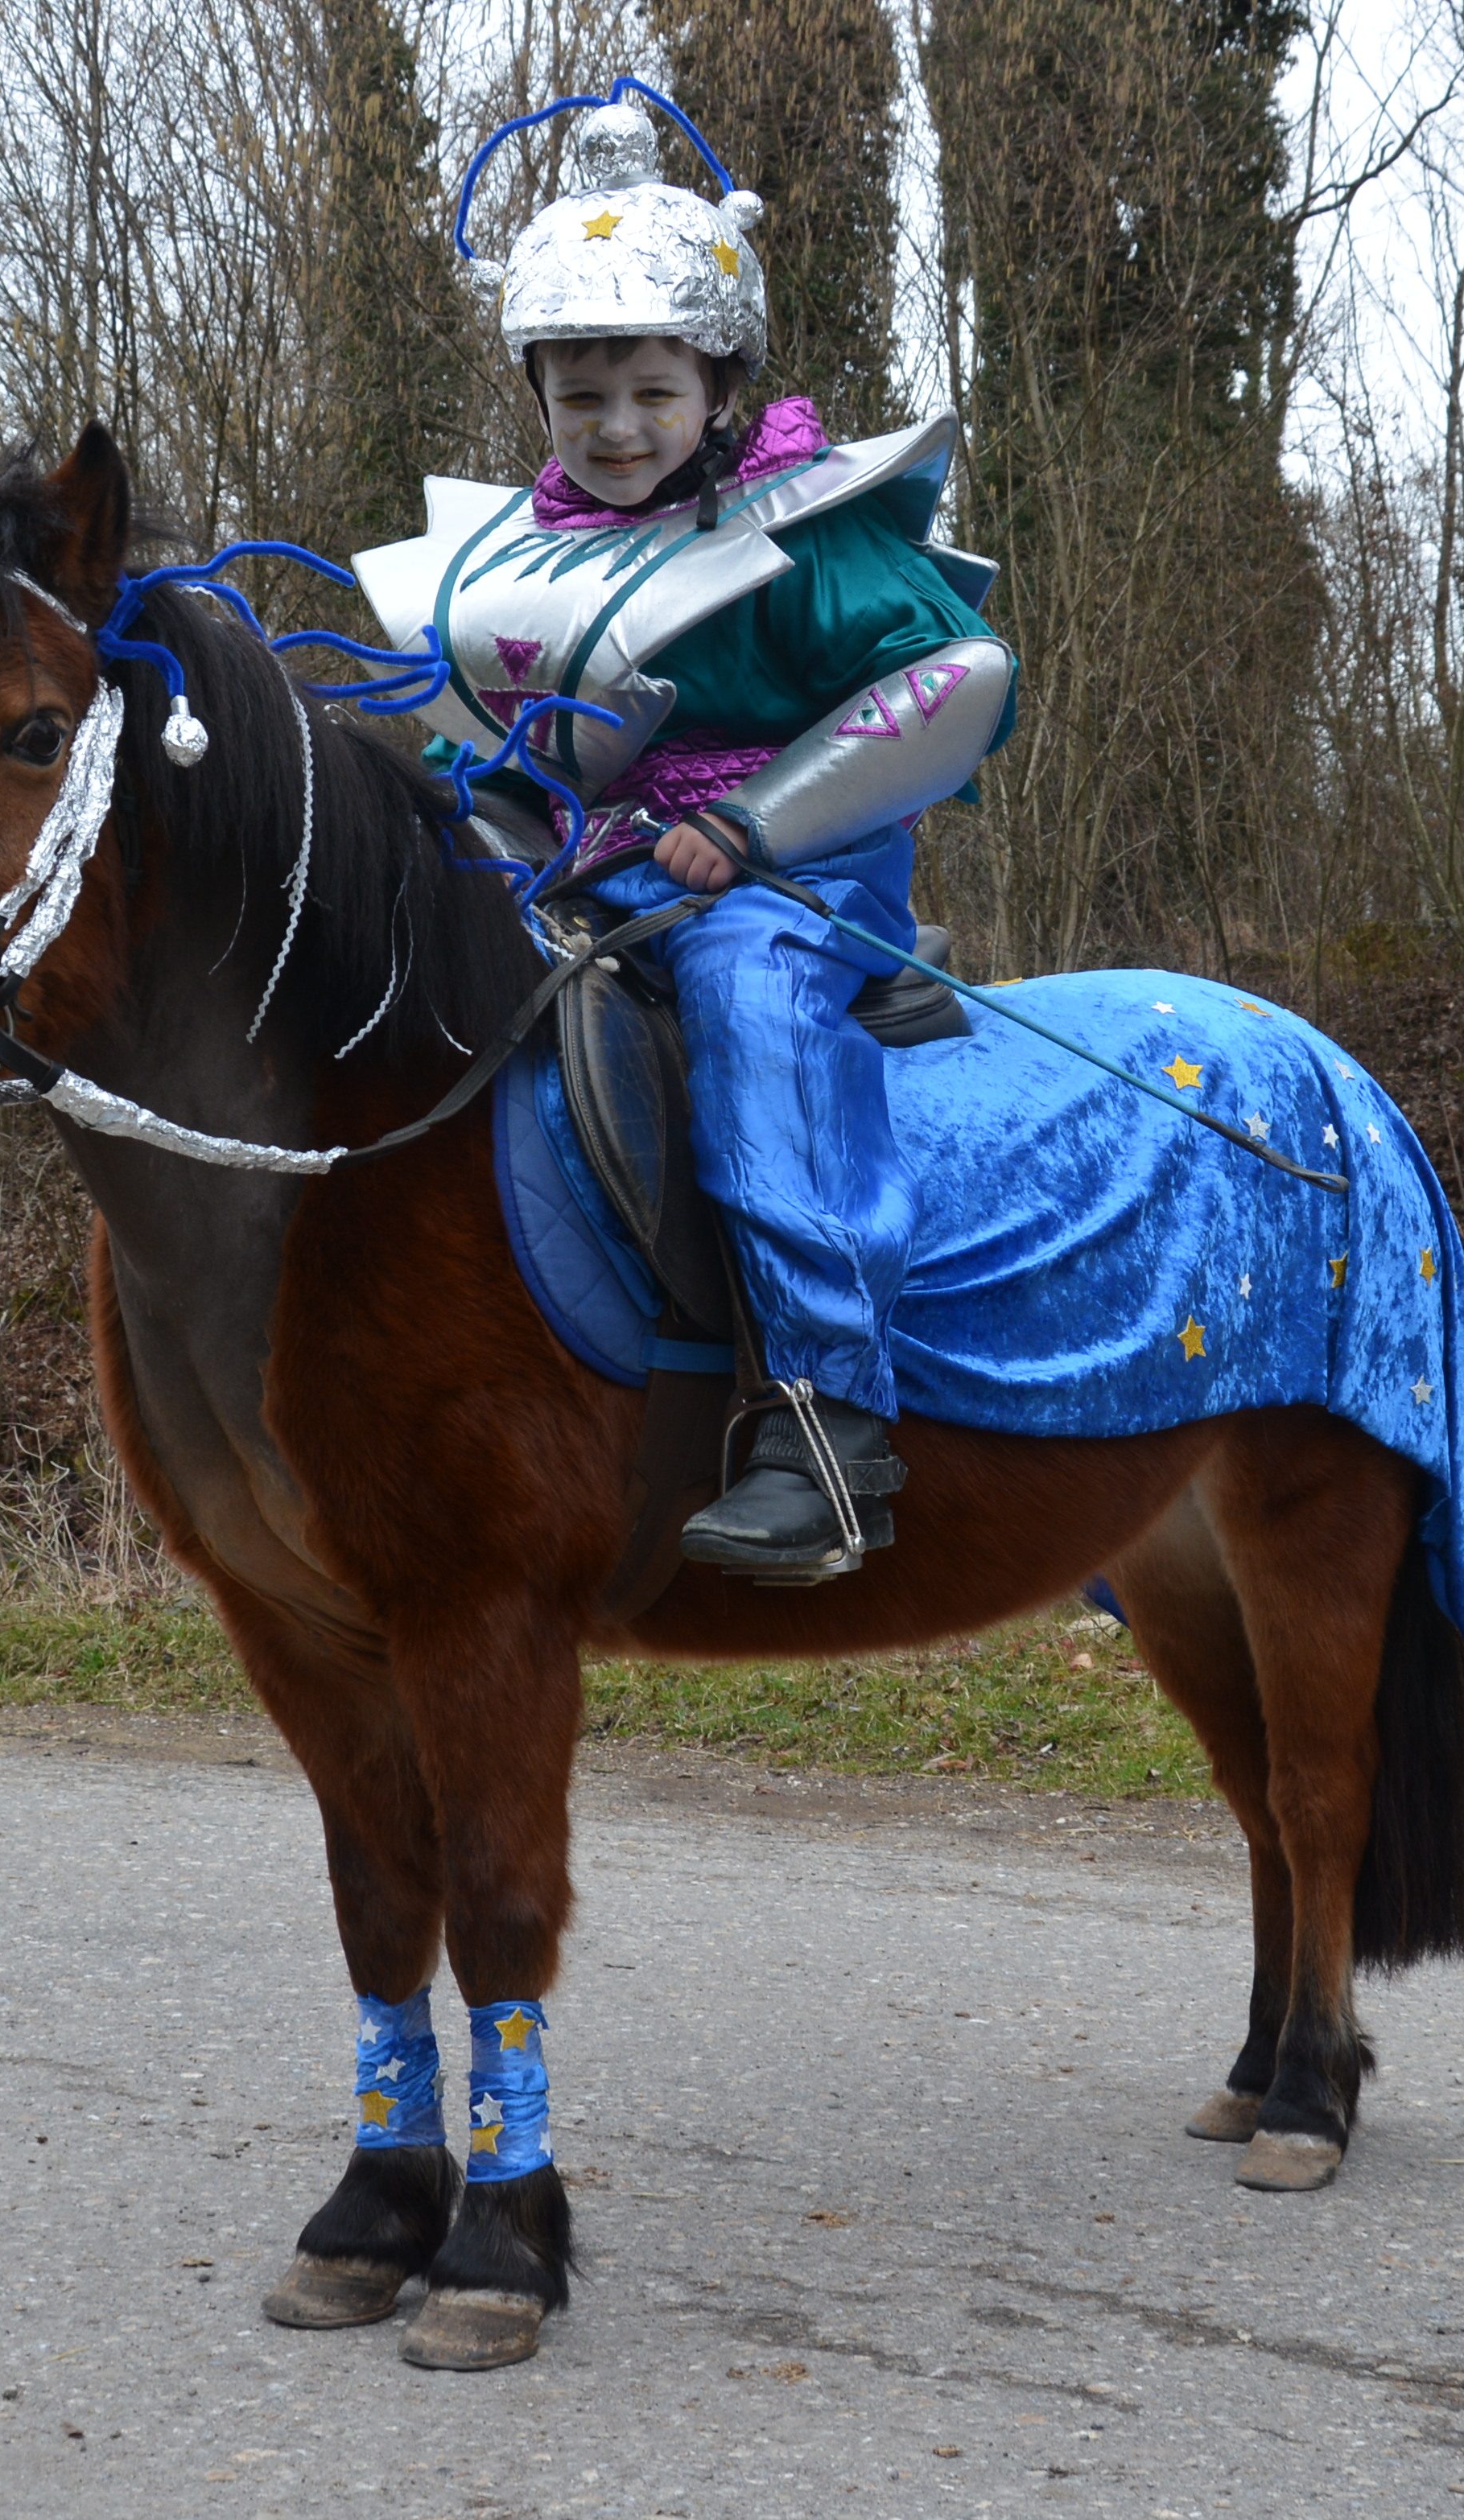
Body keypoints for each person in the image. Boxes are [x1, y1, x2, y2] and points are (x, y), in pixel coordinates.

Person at [353, 91, 1017, 1576]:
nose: (617, 430)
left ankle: (828, 1431)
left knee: (746, 1000)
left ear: (716, 381)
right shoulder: (506, 565)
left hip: (795, 868)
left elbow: (959, 677)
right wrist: (491, 836)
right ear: (536, 395)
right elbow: (505, 755)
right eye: (579, 399)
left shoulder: (805, 530)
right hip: (595, 867)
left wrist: (758, 822)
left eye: (651, 394)